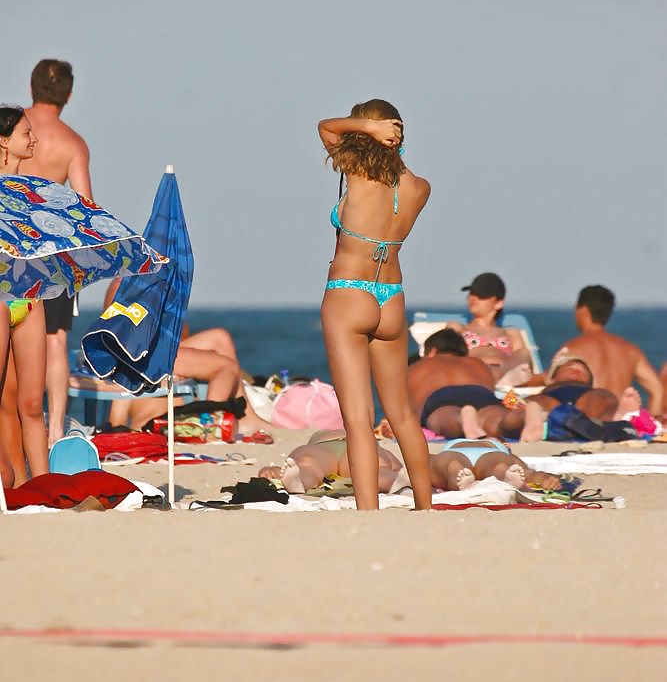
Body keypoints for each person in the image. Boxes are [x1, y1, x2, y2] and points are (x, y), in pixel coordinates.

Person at [318, 100, 432, 510]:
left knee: (358, 419)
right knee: (402, 415)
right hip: (392, 298)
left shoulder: (358, 175)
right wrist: (380, 132)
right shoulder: (420, 188)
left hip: (350, 292)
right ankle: (425, 507)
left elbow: (325, 127)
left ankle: (369, 514)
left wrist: (364, 126)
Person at [20, 60, 92, 443]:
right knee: (55, 339)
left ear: (31, 87)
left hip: (11, 245)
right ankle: (53, 432)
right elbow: (84, 205)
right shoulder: (72, 143)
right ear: (69, 94)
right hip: (53, 254)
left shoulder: (12, 131)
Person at [101, 279, 272, 435]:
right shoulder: (124, 284)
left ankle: (247, 415)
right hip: (140, 356)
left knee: (220, 338)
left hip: (155, 350)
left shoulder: (151, 279)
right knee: (227, 367)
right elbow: (115, 331)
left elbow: (177, 330)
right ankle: (209, 426)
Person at [259, 431, 561, 494]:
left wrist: (271, 472)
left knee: (310, 462)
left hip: (321, 448)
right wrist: (534, 474)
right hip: (368, 449)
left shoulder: (318, 439)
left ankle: (302, 479)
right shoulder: (498, 446)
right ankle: (398, 484)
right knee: (378, 472)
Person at [0, 107, 50, 484]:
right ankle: (13, 481)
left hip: (31, 297)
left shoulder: (34, 190)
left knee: (32, 403)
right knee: (3, 402)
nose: (33, 139)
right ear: (3, 141)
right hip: (1, 299)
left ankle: (43, 484)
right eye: (25, 133)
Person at [404, 328, 545, 441]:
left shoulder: (418, 366)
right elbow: (497, 382)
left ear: (432, 351)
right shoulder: (477, 364)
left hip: (440, 397)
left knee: (444, 418)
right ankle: (524, 416)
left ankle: (462, 419)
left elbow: (406, 409)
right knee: (496, 420)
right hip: (479, 393)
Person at [552, 286, 663, 416]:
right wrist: (651, 425)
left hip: (590, 427)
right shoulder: (631, 350)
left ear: (583, 310)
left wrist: (528, 378)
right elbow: (657, 390)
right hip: (622, 426)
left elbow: (550, 381)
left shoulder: (574, 348)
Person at [449, 272, 532, 373]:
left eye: (482, 294)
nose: (474, 298)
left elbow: (525, 365)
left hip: (505, 373)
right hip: (472, 372)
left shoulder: (511, 333)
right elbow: (449, 358)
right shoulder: (458, 328)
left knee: (523, 353)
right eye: (472, 293)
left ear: (499, 303)